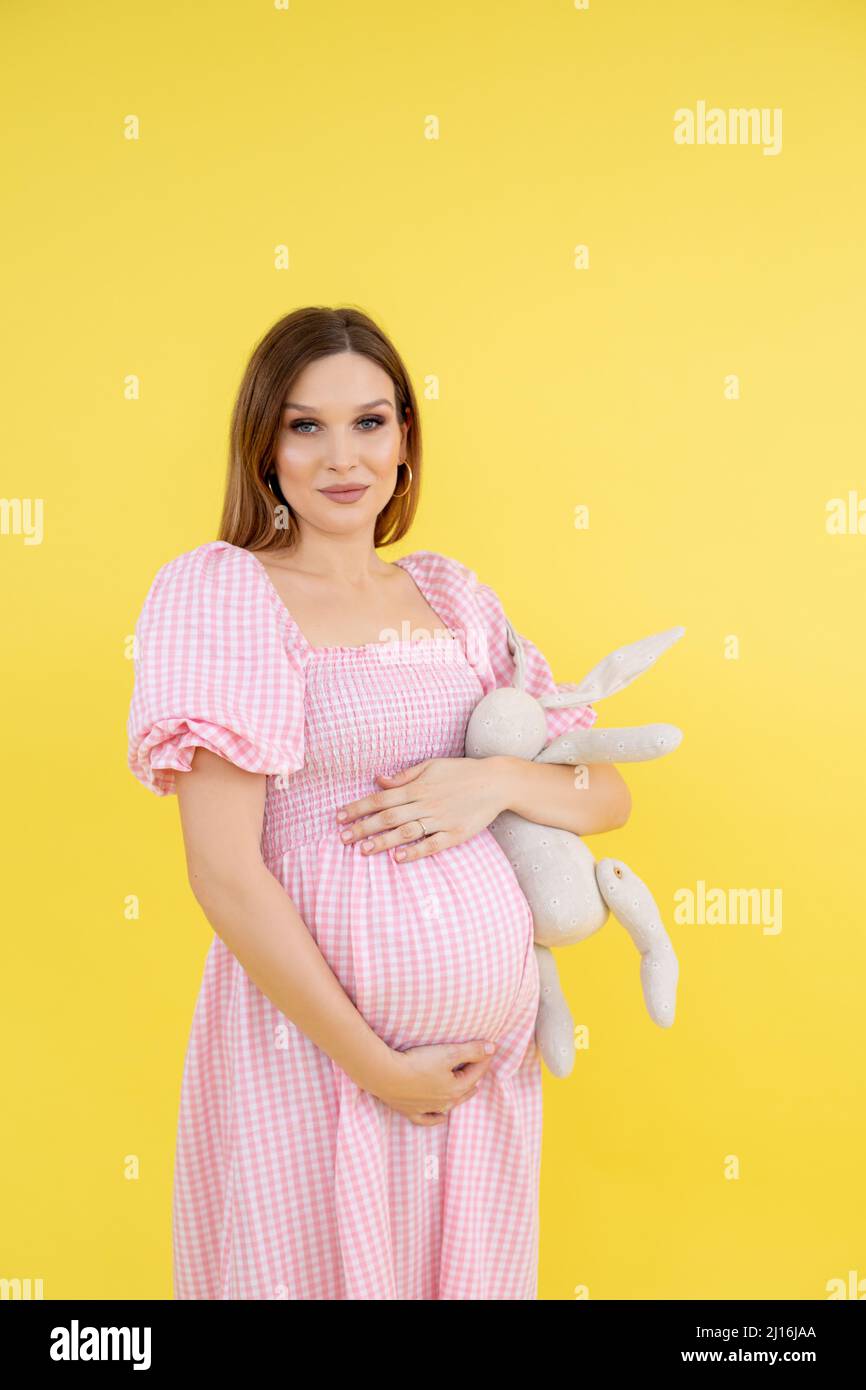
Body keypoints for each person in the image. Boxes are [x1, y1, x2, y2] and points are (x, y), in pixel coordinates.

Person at [126, 305, 631, 1300]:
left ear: (405, 440)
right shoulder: (221, 593)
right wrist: (372, 1062)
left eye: (369, 421)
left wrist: (492, 781)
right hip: (309, 1054)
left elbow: (602, 791)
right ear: (263, 446)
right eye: (304, 425)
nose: (340, 456)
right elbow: (222, 872)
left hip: (474, 1084)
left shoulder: (451, 599)